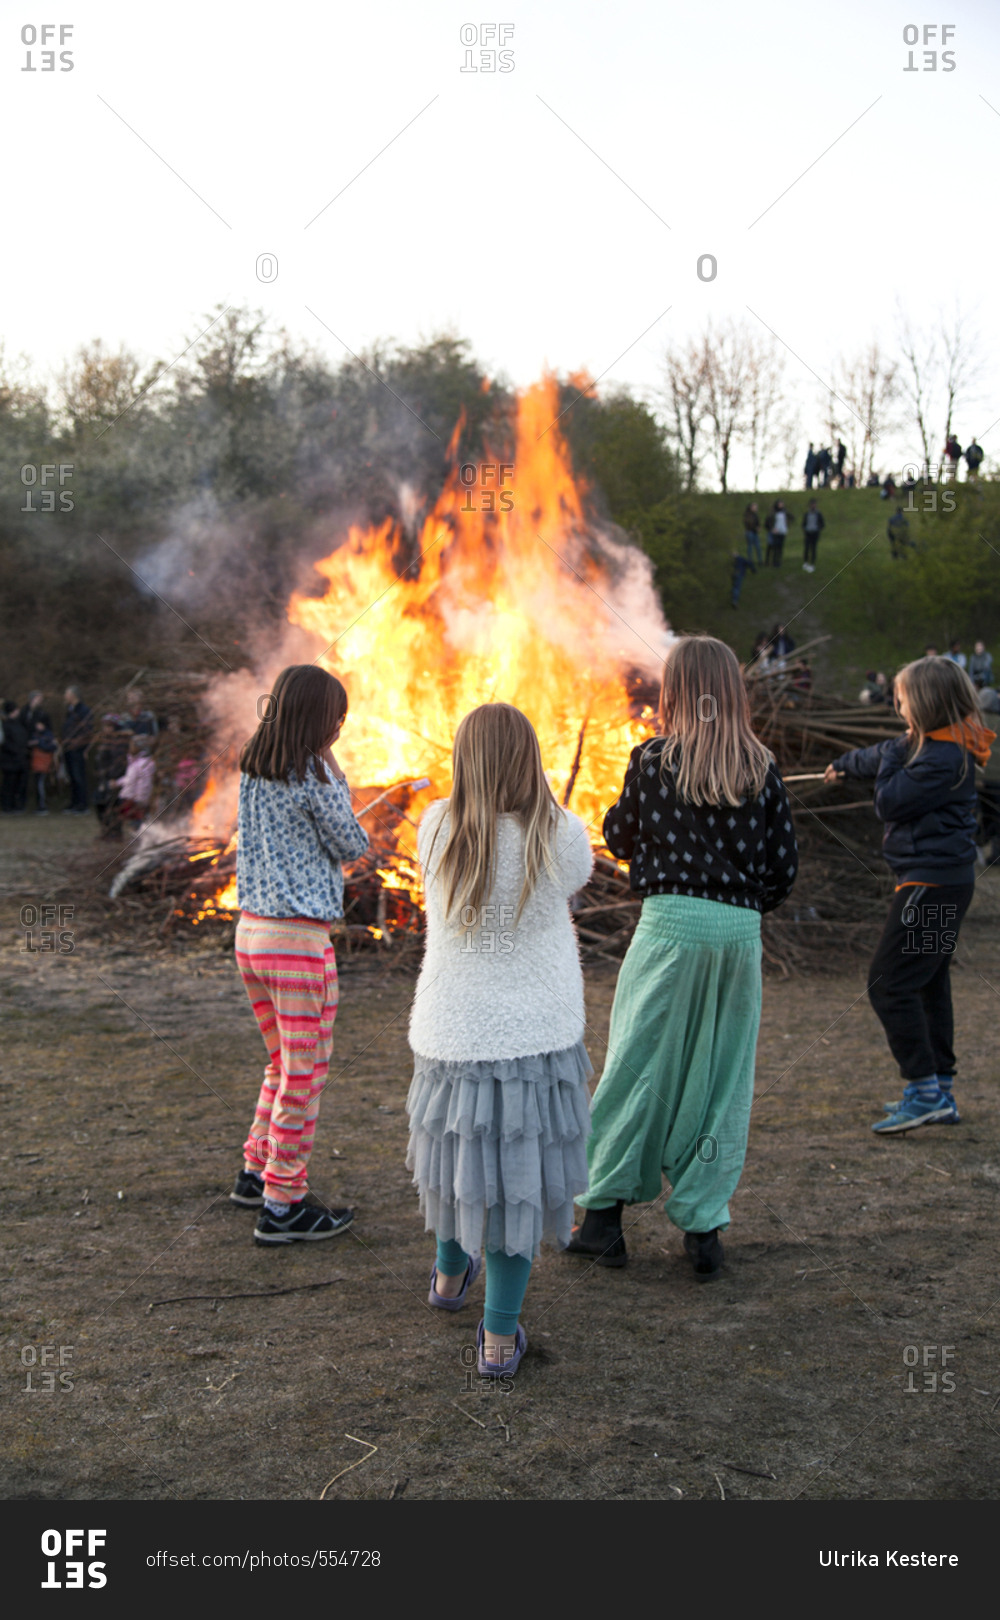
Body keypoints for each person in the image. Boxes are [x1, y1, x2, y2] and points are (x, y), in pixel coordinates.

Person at [566, 636, 797, 1280]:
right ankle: (704, 1230)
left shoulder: (652, 760)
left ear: (674, 693)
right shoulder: (762, 769)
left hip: (668, 928)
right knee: (722, 1080)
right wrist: (739, 907)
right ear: (732, 692)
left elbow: (617, 836)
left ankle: (604, 1221)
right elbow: (783, 869)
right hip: (738, 937)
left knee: (636, 1070)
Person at [406, 703, 593, 1377]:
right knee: (519, 1186)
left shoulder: (435, 829)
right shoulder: (561, 835)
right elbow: (578, 874)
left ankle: (451, 1276)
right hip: (535, 1037)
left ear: (464, 760)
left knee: (458, 1165)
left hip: (452, 1029)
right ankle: (496, 1339)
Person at [824, 657, 994, 1132]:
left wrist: (891, 757)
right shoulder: (937, 745)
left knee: (889, 983)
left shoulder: (943, 758)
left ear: (924, 702)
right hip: (941, 881)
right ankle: (938, 1088)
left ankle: (922, 1090)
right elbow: (882, 754)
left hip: (931, 885)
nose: (897, 704)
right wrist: (843, 765)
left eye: (902, 697)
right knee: (926, 982)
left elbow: (889, 801)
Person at [232, 664, 369, 1245]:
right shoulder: (313, 771)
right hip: (297, 944)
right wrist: (337, 774)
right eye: (337, 718)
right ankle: (284, 1203)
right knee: (304, 1076)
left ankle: (255, 1170)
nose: (340, 728)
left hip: (252, 937)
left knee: (280, 1065)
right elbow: (353, 844)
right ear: (321, 719)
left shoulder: (254, 766)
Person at [93, 717, 130, 835]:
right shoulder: (105, 741)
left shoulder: (119, 744)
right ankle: (106, 829)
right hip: (103, 779)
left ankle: (115, 831)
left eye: (109, 726)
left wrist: (114, 778)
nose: (106, 729)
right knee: (99, 803)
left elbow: (119, 762)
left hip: (115, 779)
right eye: (105, 726)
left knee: (113, 805)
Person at [111, 737, 156, 828]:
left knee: (138, 822)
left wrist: (140, 799)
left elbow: (144, 784)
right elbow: (130, 778)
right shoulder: (137, 762)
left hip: (136, 799)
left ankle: (140, 837)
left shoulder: (143, 765)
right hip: (133, 798)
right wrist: (117, 782)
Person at [977, 688, 1000, 866]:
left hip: (976, 780)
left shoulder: (973, 724)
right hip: (996, 783)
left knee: (976, 815)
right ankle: (995, 856)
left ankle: (975, 843)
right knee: (996, 817)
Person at [61, 686, 93, 813]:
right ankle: (74, 802)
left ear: (73, 695)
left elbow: (87, 730)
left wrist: (78, 743)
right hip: (68, 747)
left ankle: (82, 804)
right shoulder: (70, 710)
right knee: (72, 776)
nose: (65, 696)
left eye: (66, 694)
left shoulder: (84, 710)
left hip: (77, 748)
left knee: (79, 775)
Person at [0, 701, 29, 813]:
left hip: (20, 760)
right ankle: (7, 806)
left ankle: (17, 805)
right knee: (9, 784)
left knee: (18, 784)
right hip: (10, 761)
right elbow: (5, 743)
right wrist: (17, 751)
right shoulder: (6, 725)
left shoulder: (19, 724)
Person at [28, 718, 58, 813]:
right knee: (38, 784)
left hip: (44, 763)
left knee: (40, 784)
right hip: (37, 763)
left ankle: (42, 806)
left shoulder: (47, 735)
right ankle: (40, 805)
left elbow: (52, 746)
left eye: (39, 724)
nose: (38, 726)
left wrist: (39, 743)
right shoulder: (36, 734)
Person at [802, 498, 824, 571]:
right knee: (807, 548)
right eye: (812, 504)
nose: (813, 506)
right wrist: (805, 529)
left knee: (813, 548)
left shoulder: (818, 514)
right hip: (808, 533)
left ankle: (812, 563)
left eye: (814, 504)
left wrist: (818, 529)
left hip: (815, 533)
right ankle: (805, 562)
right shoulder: (807, 514)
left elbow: (822, 524)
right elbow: (803, 523)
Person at [766, 500, 789, 566]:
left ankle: (778, 561)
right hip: (776, 532)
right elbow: (769, 522)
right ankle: (774, 561)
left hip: (782, 532)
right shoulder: (774, 513)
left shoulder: (784, 512)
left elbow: (790, 518)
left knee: (780, 547)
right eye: (780, 504)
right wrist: (772, 529)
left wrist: (787, 524)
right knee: (775, 547)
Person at [742, 500, 762, 565]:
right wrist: (755, 528)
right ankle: (750, 561)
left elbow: (757, 522)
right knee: (750, 547)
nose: (756, 508)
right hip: (750, 532)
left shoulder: (755, 515)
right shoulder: (747, 515)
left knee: (758, 547)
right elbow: (748, 524)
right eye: (755, 507)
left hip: (755, 532)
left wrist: (758, 527)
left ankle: (760, 561)